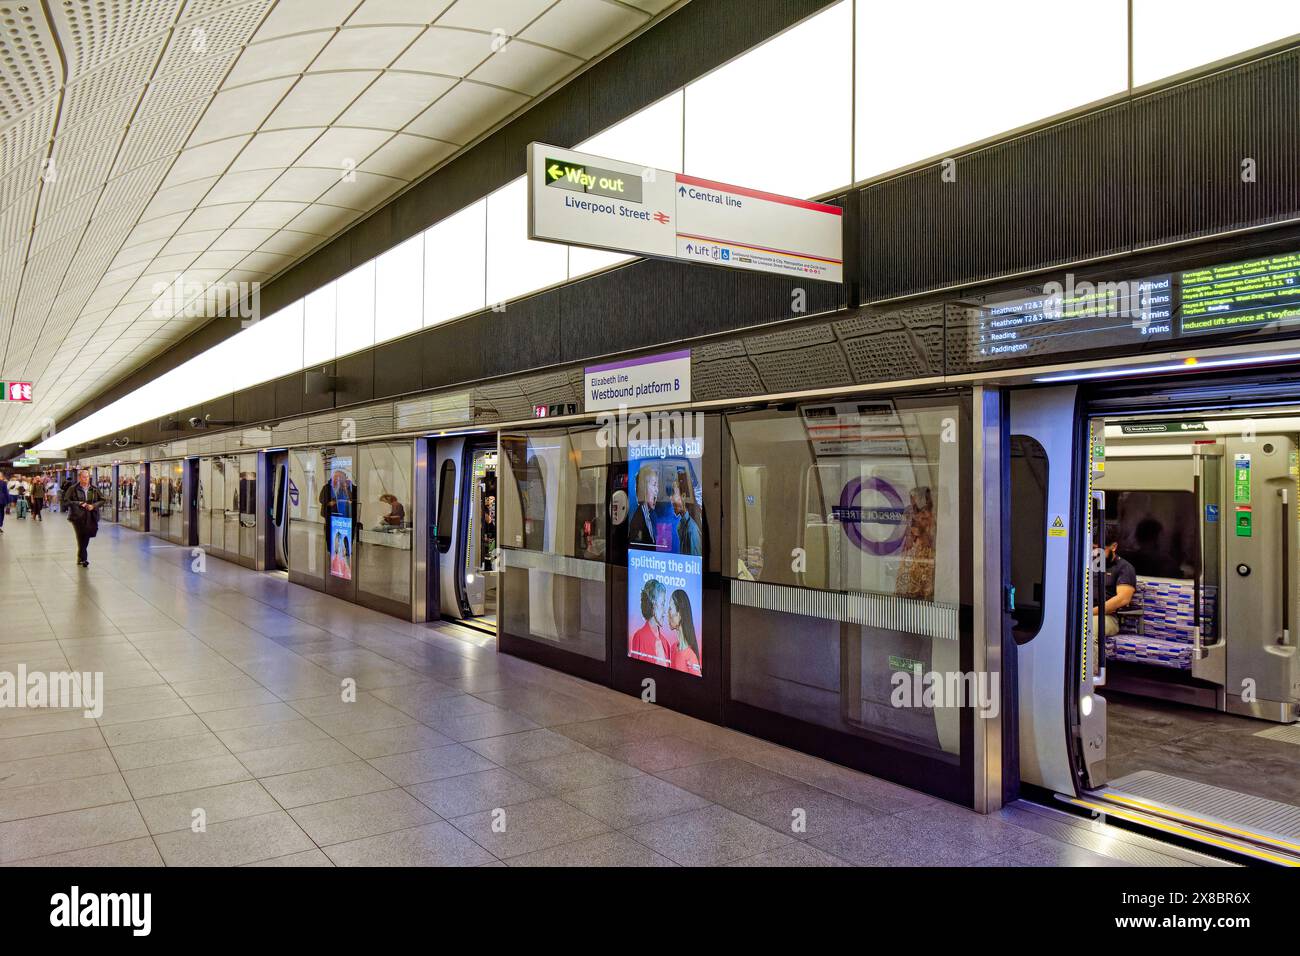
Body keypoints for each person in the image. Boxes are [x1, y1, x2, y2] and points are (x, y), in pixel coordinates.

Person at [895, 486, 937, 601]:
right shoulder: (911, 515)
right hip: (911, 553)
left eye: (913, 498)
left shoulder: (927, 516)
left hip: (922, 552)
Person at [1094, 537, 1137, 637]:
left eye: (1100, 549)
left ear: (1113, 547)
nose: (1095, 554)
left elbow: (1123, 599)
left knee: (1087, 630)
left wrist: (1090, 612)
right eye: (1092, 549)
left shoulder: (1124, 568)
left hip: (1106, 616)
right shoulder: (1089, 564)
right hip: (1083, 612)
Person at [65, 469, 104, 567]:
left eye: (87, 477)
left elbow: (103, 500)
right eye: (84, 477)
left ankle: (80, 556)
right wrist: (79, 503)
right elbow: (66, 501)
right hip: (77, 516)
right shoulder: (73, 488)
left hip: (91, 515)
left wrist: (94, 506)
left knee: (86, 536)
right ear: (79, 477)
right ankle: (84, 559)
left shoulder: (94, 489)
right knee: (80, 535)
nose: (86, 479)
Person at [629, 578, 670, 665]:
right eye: (662, 604)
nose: (665, 611)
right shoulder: (639, 637)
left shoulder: (666, 643)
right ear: (653, 604)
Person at [667, 589, 701, 675]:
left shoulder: (691, 657)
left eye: (670, 608)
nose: (667, 613)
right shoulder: (672, 648)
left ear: (680, 614)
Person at [670, 471, 702, 556]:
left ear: (683, 496)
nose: (671, 498)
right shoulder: (683, 527)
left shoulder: (691, 531)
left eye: (673, 493)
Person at [628, 463, 659, 547]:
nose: (657, 490)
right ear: (643, 488)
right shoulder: (637, 521)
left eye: (657, 485)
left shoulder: (648, 516)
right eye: (654, 484)